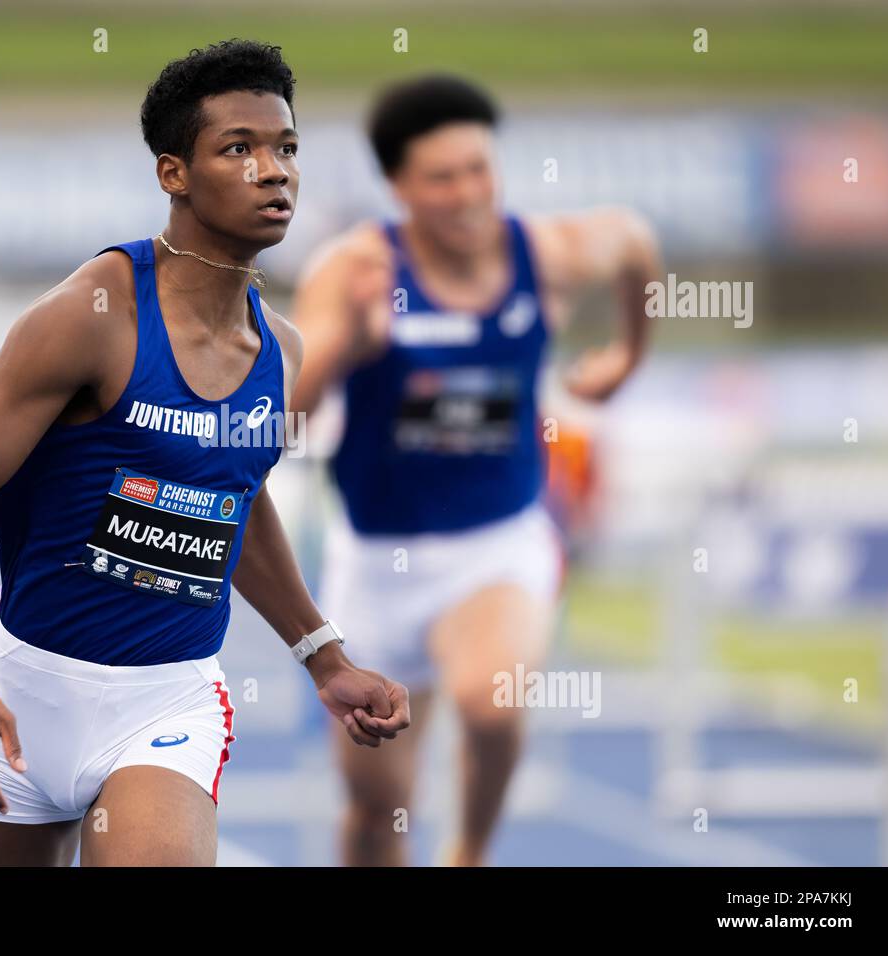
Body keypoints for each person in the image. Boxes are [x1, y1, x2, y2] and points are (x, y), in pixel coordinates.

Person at [0, 39, 410, 867]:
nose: (274, 171)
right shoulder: (90, 317)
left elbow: (233, 502)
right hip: (27, 687)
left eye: (286, 149)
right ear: (173, 173)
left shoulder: (280, 352)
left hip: (163, 703)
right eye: (239, 149)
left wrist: (325, 658)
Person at [289, 74, 661, 866]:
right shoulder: (353, 273)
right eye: (441, 178)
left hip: (497, 544)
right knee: (375, 814)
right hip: (376, 565)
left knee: (490, 706)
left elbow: (633, 240)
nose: (466, 195)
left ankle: (470, 852)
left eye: (478, 170)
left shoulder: (548, 254)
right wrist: (340, 353)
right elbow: (293, 412)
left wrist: (626, 356)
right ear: (397, 187)